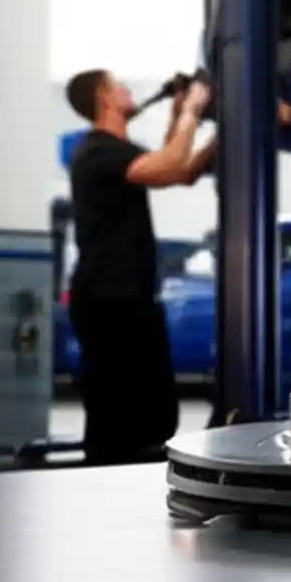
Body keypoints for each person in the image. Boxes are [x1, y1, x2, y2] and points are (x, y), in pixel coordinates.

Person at [65, 69, 218, 464]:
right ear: (104, 97)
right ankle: (106, 486)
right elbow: (168, 166)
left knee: (153, 413)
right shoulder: (98, 151)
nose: (128, 90)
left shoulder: (116, 150)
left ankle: (124, 480)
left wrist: (211, 131)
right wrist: (193, 111)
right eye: (119, 85)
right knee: (118, 417)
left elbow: (179, 171)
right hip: (107, 300)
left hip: (127, 297)